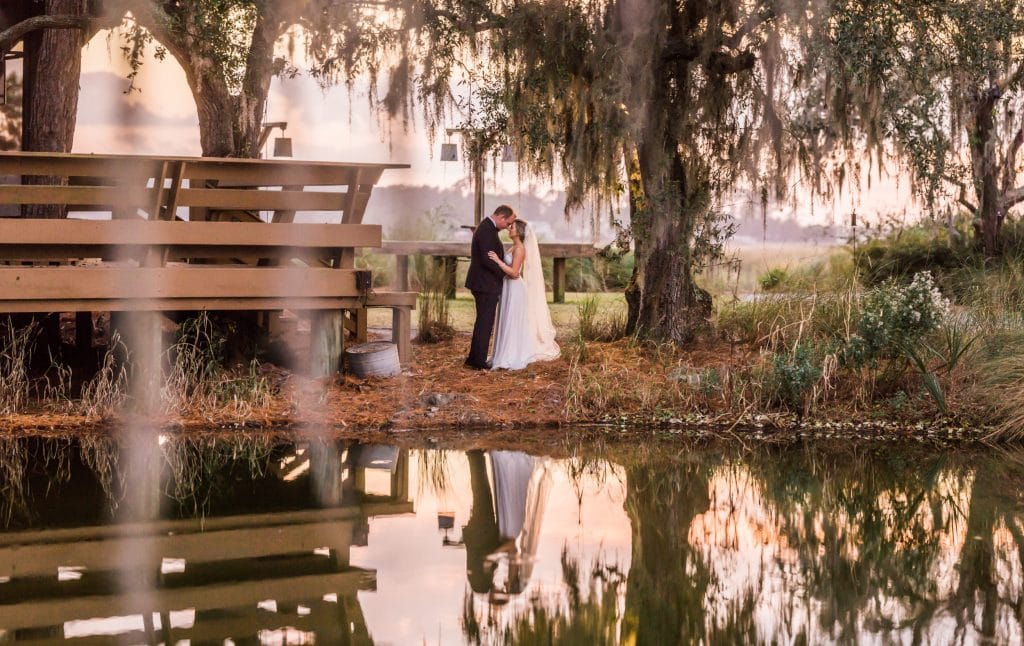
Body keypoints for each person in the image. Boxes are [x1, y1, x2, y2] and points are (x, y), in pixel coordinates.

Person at [486, 219, 560, 370]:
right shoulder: (514, 247)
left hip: (515, 288)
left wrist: (498, 261)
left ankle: (512, 355)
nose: (509, 229)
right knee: (507, 319)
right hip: (508, 288)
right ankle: (503, 353)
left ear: (518, 232)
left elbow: (514, 273)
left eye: (511, 227)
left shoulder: (520, 249)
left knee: (513, 321)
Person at [464, 205, 517, 370]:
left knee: (483, 322)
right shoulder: (486, 230)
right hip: (484, 284)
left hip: (483, 283)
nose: (508, 226)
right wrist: (506, 274)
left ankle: (474, 358)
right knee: (485, 323)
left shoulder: (487, 228)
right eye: (508, 223)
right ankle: (478, 362)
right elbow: (488, 261)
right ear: (501, 217)